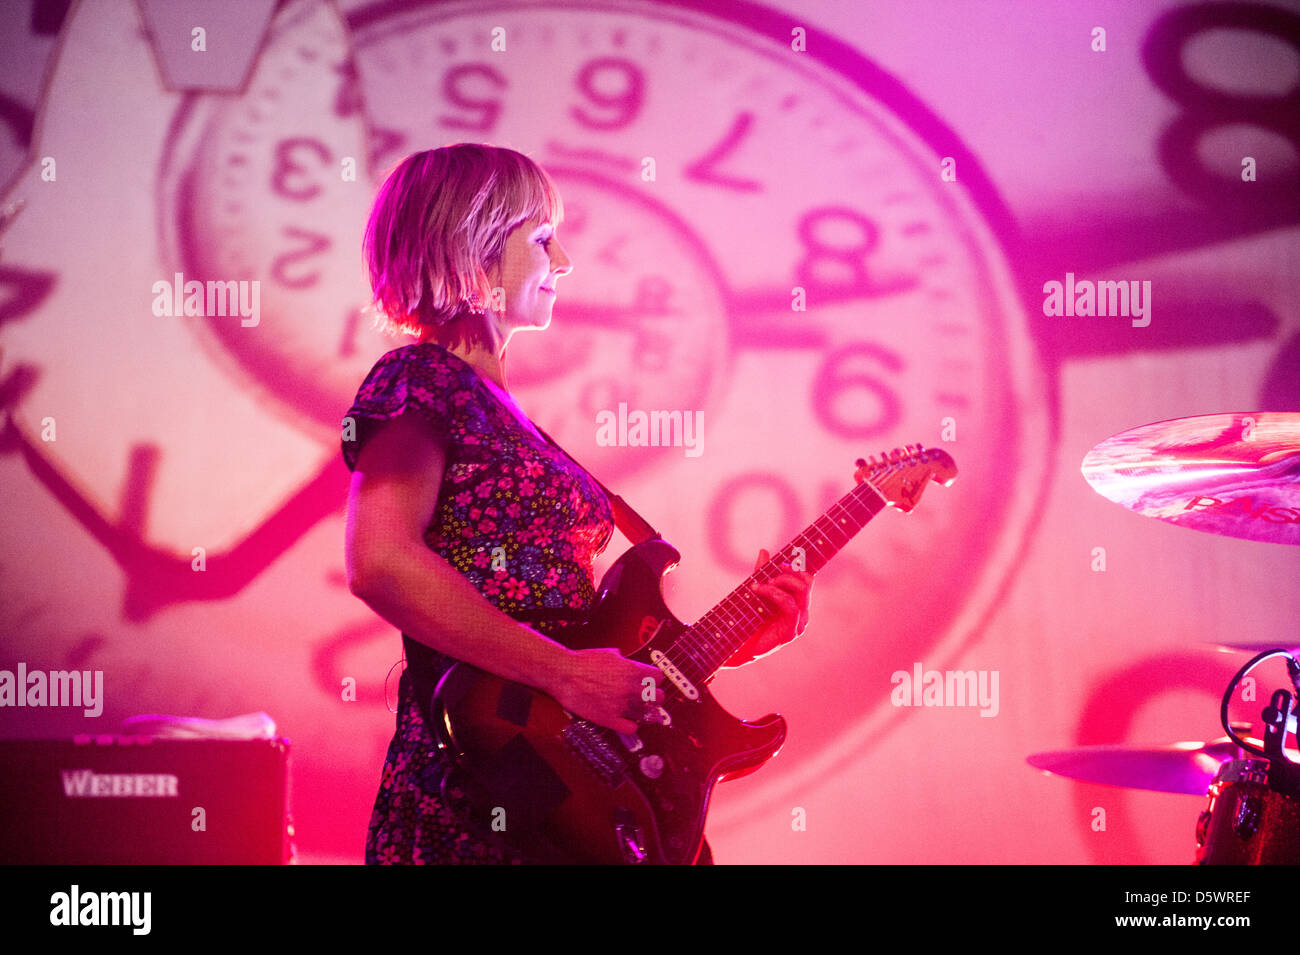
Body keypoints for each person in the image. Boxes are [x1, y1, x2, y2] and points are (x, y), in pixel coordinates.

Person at [342, 143, 813, 864]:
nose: (563, 261)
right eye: (540, 239)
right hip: (482, 773)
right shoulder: (421, 378)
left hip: (563, 772)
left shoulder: (507, 415)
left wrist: (741, 639)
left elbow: (587, 635)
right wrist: (563, 673)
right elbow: (380, 560)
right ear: (473, 245)